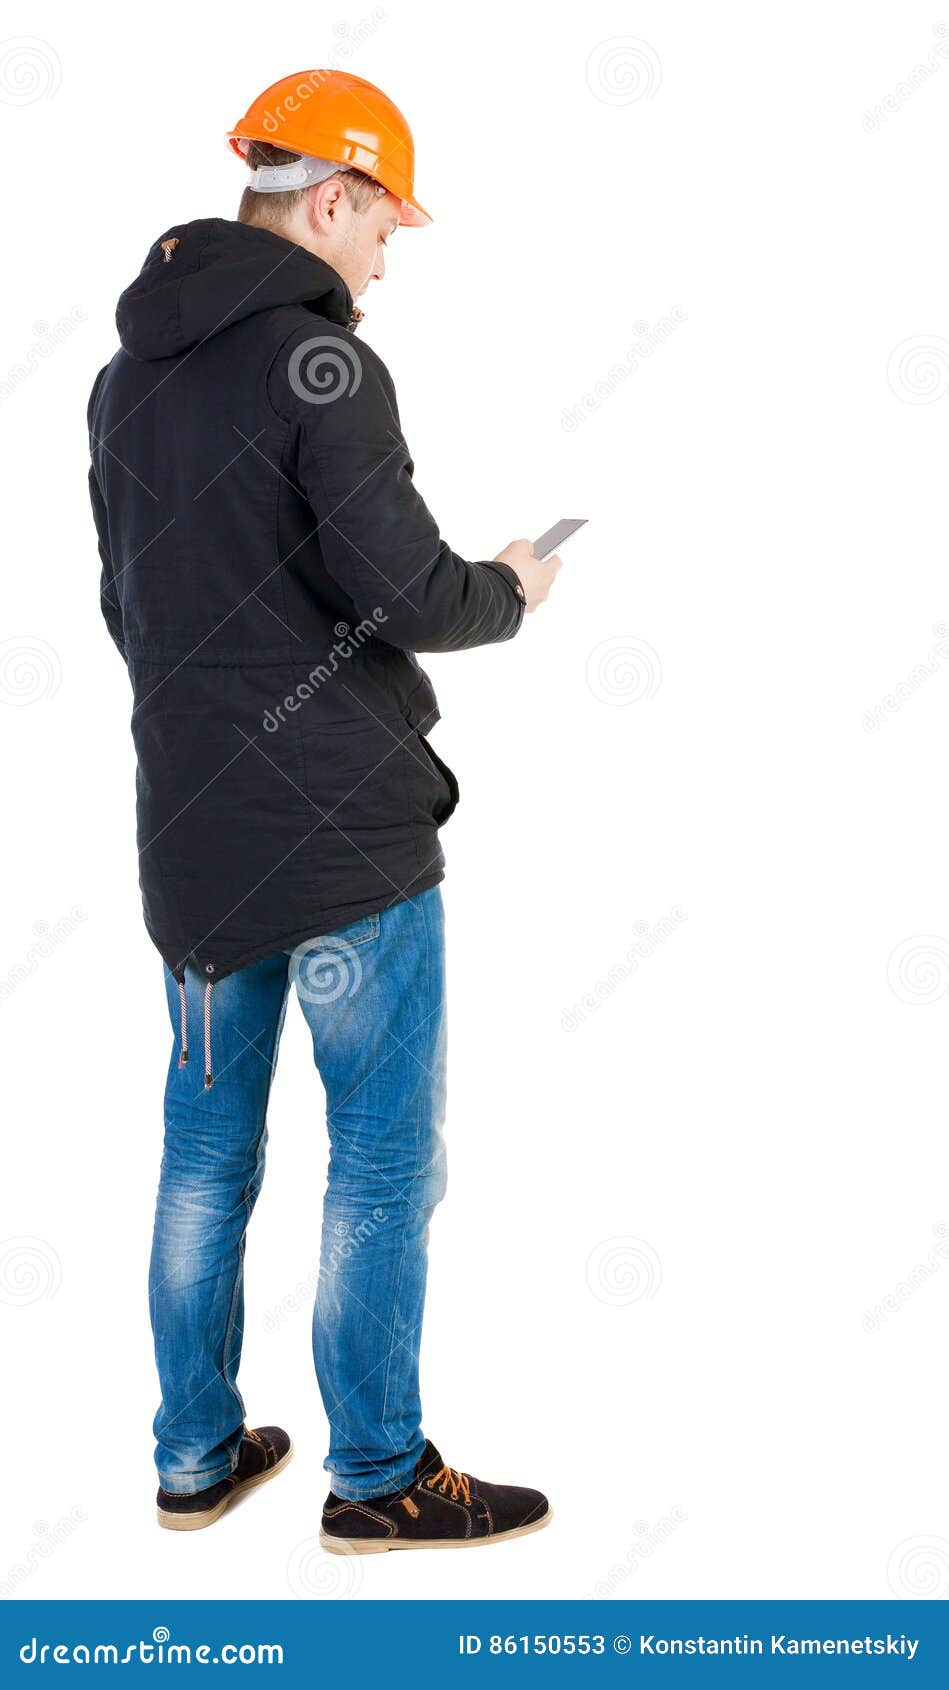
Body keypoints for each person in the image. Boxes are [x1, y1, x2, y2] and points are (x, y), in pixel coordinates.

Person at [87, 69, 562, 1552]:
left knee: (204, 1148)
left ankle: (192, 1456)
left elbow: (130, 603)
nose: (379, 265)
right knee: (375, 1155)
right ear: (332, 196)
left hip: (194, 842)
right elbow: (411, 594)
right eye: (382, 232)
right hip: (348, 840)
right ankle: (377, 1473)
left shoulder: (125, 378)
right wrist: (513, 588)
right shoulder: (323, 367)